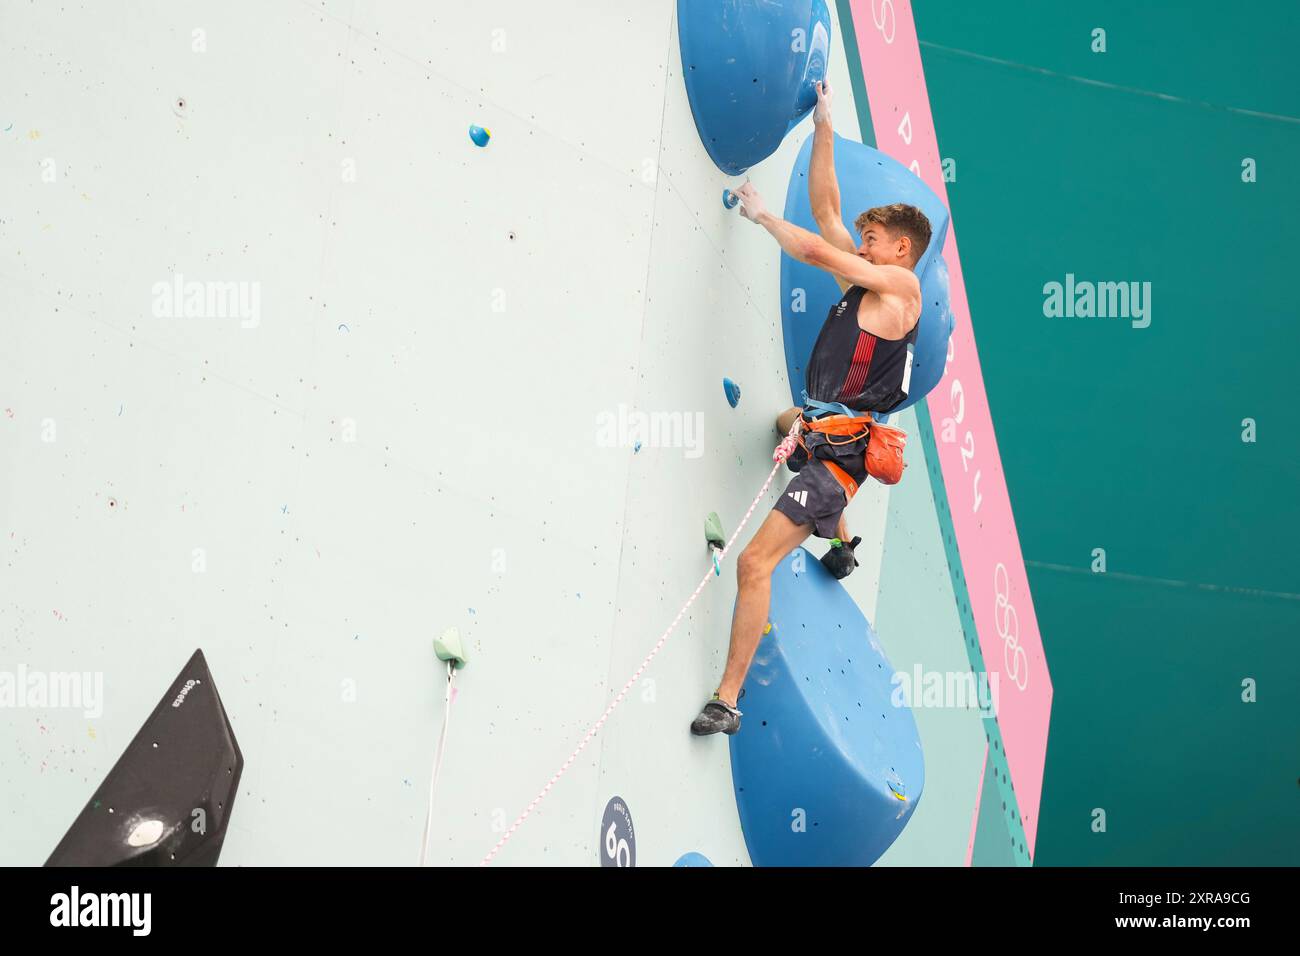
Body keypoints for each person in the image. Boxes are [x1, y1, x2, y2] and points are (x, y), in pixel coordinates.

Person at [691, 80, 932, 736]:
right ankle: (845, 545)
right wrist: (824, 124)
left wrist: (764, 215)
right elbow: (827, 213)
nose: (860, 242)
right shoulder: (866, 280)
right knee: (785, 423)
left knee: (753, 562)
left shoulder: (901, 290)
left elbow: (817, 247)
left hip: (841, 460)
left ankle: (728, 701)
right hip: (821, 429)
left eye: (872, 237)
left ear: (901, 251)